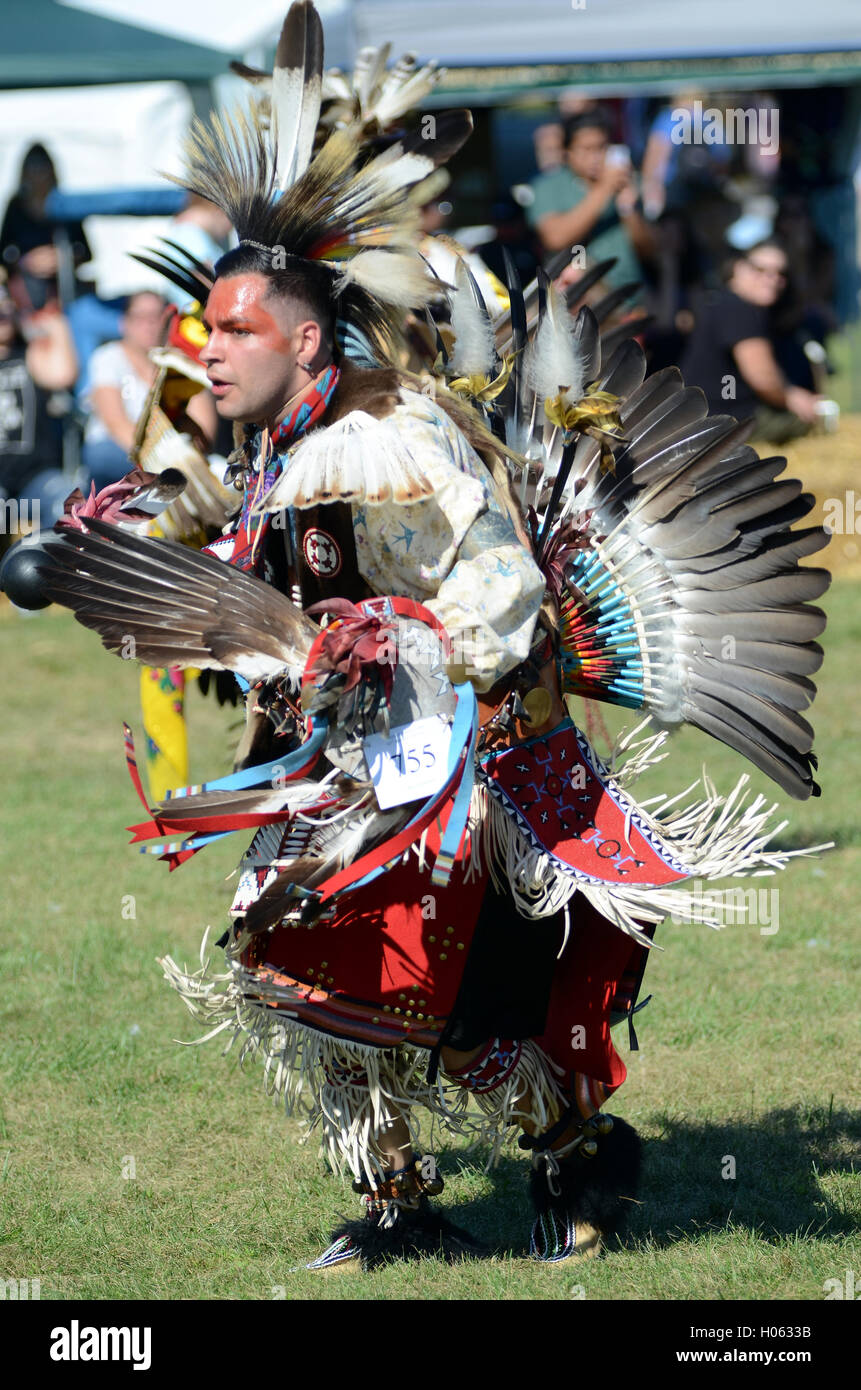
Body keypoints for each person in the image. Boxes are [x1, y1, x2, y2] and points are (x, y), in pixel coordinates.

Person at [27, 2, 830, 1276]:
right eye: (205, 329)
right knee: (293, 974)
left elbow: (504, 600)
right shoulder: (281, 439)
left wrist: (383, 645)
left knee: (465, 1010)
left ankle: (576, 1159)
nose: (208, 349)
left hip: (474, 770)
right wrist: (124, 537)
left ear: (303, 340)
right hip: (348, 768)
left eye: (233, 332)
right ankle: (397, 1202)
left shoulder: (390, 441)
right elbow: (241, 540)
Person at [681, 239, 821, 443]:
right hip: (724, 424)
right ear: (738, 268)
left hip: (709, 417)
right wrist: (794, 398)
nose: (772, 279)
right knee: (809, 424)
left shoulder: (725, 303)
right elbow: (762, 377)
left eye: (780, 273)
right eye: (760, 269)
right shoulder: (739, 309)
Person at [82, 290, 216, 490]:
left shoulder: (182, 362)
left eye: (157, 316)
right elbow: (115, 423)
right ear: (124, 322)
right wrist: (159, 461)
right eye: (140, 317)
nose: (149, 325)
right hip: (119, 453)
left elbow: (205, 429)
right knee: (103, 455)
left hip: (174, 458)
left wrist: (181, 456)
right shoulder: (108, 358)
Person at [527, 111, 655, 294]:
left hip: (628, 300)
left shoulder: (627, 182)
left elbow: (648, 251)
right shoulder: (548, 186)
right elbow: (555, 238)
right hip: (575, 305)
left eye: (601, 148)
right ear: (568, 152)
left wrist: (628, 209)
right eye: (587, 149)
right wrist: (604, 188)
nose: (596, 157)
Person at [0, 274, 78, 533]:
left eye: (5, 309)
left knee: (66, 502)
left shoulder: (30, 354)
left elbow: (63, 374)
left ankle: (53, 574)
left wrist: (56, 324)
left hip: (35, 482)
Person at [0, 144, 90, 312]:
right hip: (26, 296)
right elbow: (4, 254)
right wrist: (26, 262)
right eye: (33, 166)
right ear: (24, 171)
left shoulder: (65, 205)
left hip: (64, 293)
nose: (38, 172)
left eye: (42, 166)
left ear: (52, 169)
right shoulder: (16, 207)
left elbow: (86, 252)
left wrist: (64, 258)